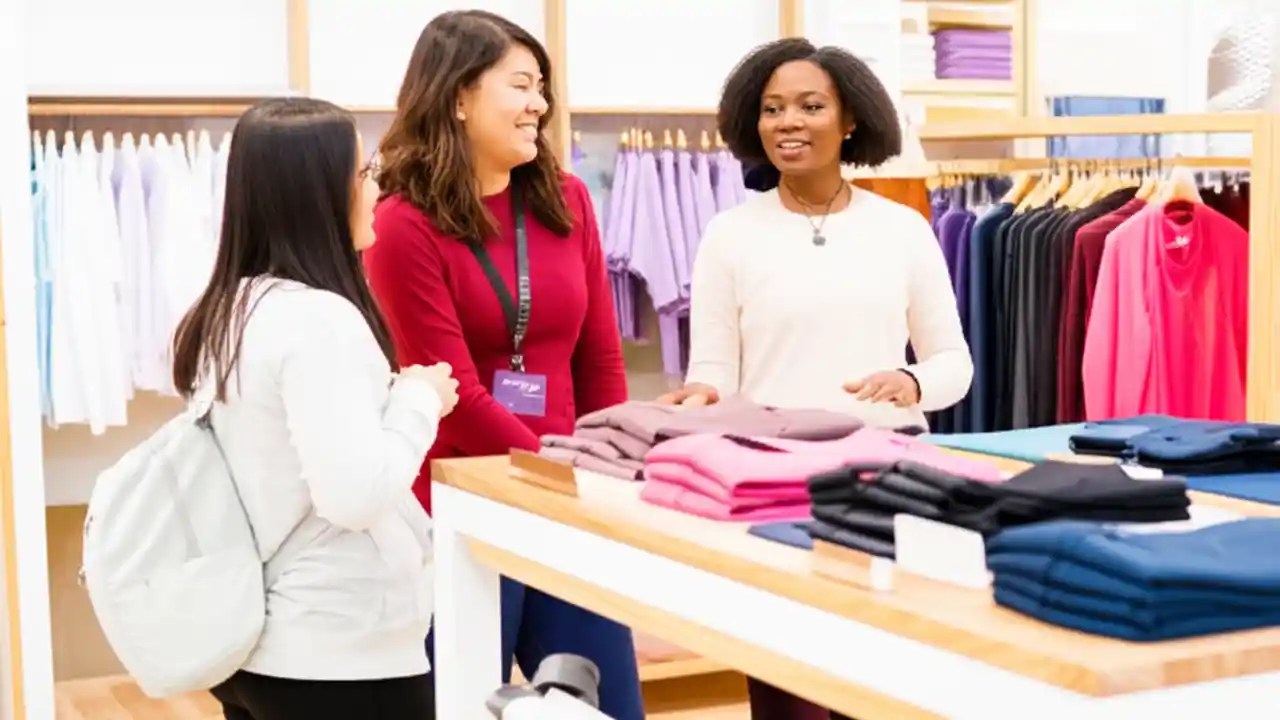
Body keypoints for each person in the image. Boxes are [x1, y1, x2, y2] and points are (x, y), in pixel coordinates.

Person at [658, 38, 973, 719]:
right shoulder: (729, 234)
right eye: (772, 109)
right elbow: (712, 370)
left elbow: (954, 364)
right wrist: (702, 397)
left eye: (809, 106)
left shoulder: (903, 229)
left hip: (887, 482)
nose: (788, 123)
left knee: (886, 689)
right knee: (789, 693)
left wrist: (911, 381)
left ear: (850, 118)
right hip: (774, 488)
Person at [363, 10, 645, 720]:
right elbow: (451, 394)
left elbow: (599, 359)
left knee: (608, 706)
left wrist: (607, 467)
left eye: (542, 87)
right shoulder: (401, 224)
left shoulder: (567, 200)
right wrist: (562, 475)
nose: (539, 104)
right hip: (458, 506)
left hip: (566, 499)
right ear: (459, 97)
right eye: (521, 85)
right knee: (463, 704)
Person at [170, 97, 459, 719]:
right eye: (363, 173)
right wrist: (419, 401)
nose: (375, 187)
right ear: (318, 194)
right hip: (339, 652)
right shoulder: (318, 320)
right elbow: (354, 495)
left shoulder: (228, 311)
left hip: (260, 645)